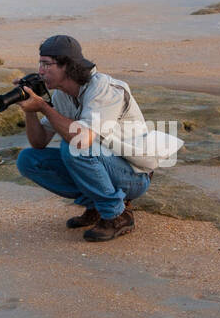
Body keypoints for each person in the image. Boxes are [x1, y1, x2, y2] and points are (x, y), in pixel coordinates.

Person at [14, 35, 154, 242]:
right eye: (39, 63)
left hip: (134, 173)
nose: (40, 70)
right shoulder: (62, 95)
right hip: (104, 165)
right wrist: (29, 108)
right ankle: (96, 205)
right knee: (28, 160)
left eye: (46, 64)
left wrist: (43, 106)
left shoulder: (105, 89)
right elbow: (39, 141)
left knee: (73, 147)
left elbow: (82, 140)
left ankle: (117, 215)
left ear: (68, 66)